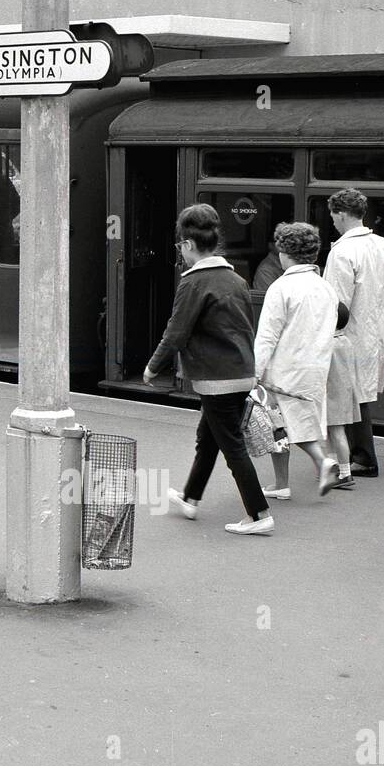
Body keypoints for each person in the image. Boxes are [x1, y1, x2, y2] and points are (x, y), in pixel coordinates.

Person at [143, 203, 274, 535]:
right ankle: (190, 497)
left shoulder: (194, 282)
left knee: (232, 446)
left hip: (217, 377)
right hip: (241, 370)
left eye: (180, 247)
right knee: (209, 437)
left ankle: (259, 514)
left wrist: (153, 366)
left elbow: (176, 332)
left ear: (187, 245)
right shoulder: (236, 278)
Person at [252, 222, 348, 500]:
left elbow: (267, 336)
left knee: (281, 426)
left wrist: (255, 372)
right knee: (292, 425)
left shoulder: (281, 287)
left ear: (284, 252)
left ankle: (321, 462)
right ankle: (281, 484)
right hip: (317, 368)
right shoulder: (326, 289)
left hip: (284, 371)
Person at [323, 187, 384, 477]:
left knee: (349, 395)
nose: (332, 221)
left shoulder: (342, 252)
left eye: (333, 216)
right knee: (360, 395)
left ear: (341, 214)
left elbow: (337, 304)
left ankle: (361, 457)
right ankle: (359, 456)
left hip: (349, 334)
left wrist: (321, 334)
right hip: (380, 333)